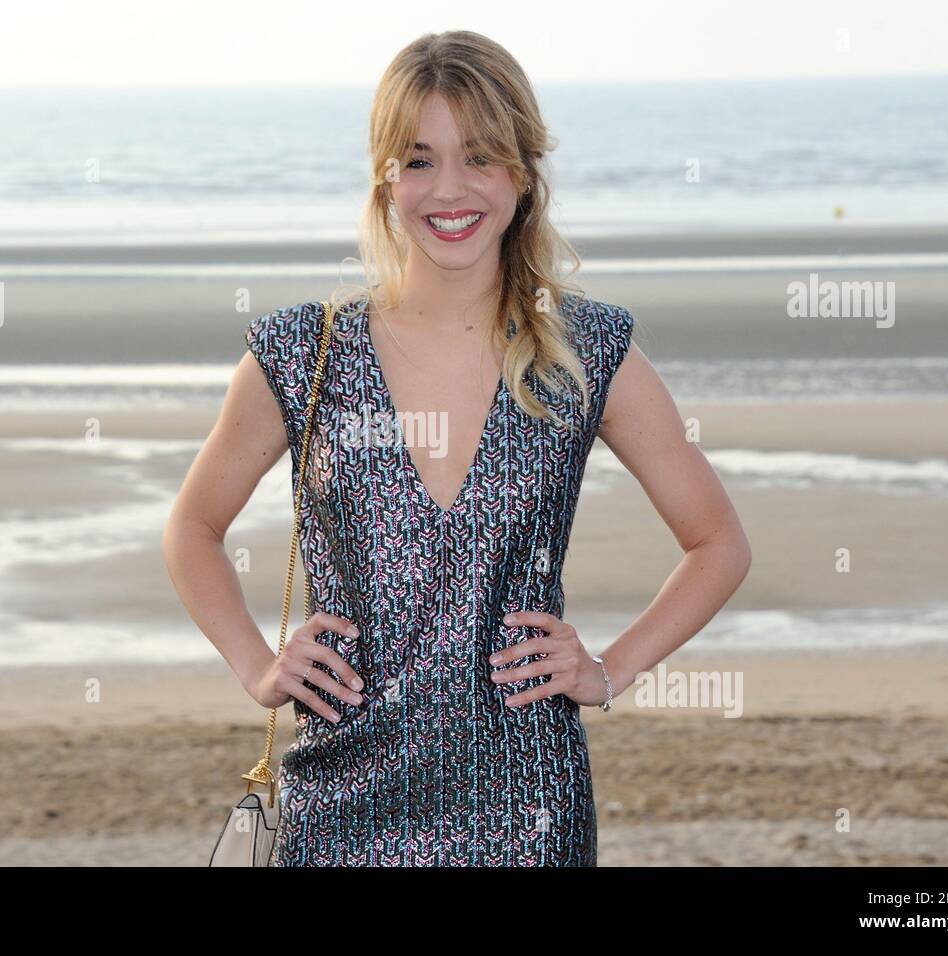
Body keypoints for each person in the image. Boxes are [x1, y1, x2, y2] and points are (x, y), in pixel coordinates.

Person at [163, 30, 751, 866]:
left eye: (480, 157)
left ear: (522, 171)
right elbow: (190, 529)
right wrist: (259, 666)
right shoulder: (303, 353)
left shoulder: (584, 352)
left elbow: (719, 543)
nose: (450, 189)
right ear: (385, 177)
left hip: (527, 804)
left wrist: (608, 670)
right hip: (338, 800)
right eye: (419, 160)